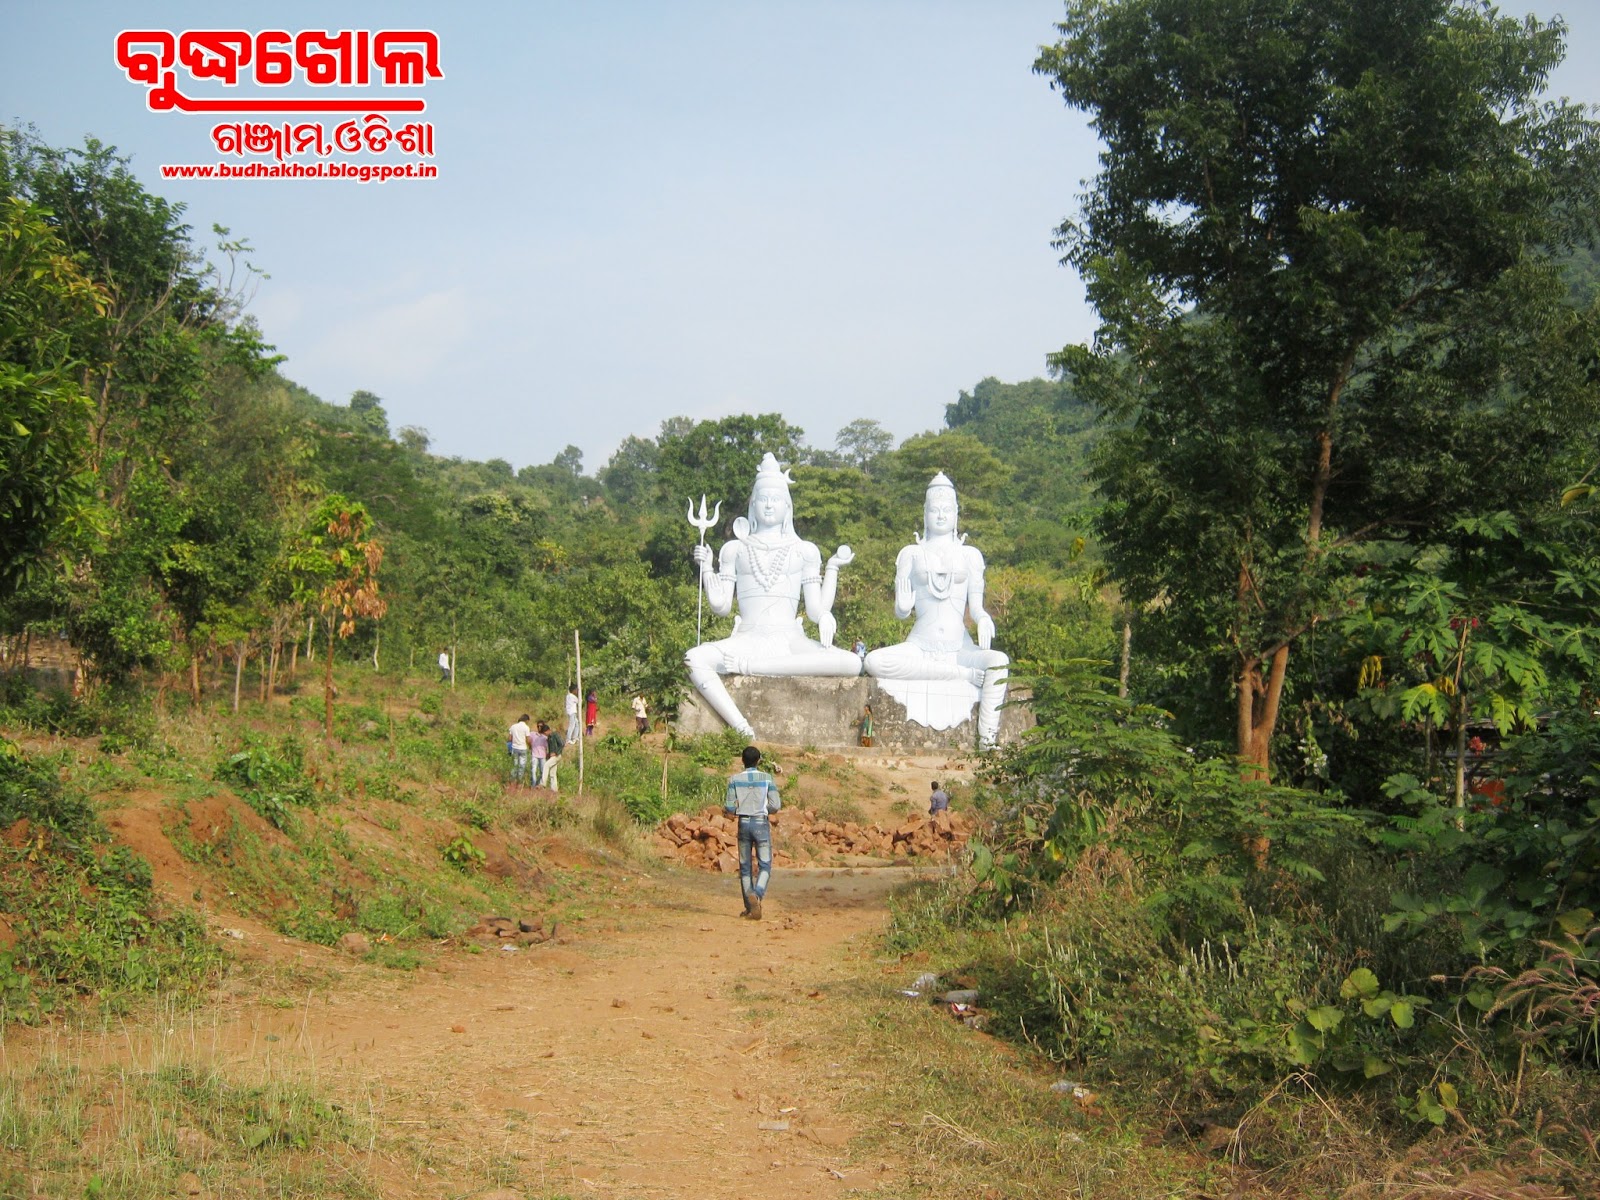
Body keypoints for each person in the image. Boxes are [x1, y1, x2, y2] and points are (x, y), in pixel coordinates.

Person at [686, 453, 861, 738]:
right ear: (752, 505)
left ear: (787, 506)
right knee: (693, 658)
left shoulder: (804, 550)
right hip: (747, 638)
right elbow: (719, 606)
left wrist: (830, 580)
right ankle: (741, 727)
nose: (769, 504)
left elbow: (816, 610)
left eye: (776, 499)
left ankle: (754, 667)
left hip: (791, 640)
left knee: (852, 664)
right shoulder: (735, 549)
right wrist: (707, 567)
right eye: (763, 498)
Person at [864, 473, 1009, 747]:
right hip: (920, 645)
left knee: (999, 662)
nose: (941, 516)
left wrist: (984, 618)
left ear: (956, 513)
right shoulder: (910, 554)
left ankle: (987, 739)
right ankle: (961, 677)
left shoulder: (970, 555)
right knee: (873, 661)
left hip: (960, 648)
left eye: (947, 510)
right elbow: (901, 611)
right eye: (934, 510)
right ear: (924, 513)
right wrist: (902, 606)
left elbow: (976, 607)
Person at [725, 744, 781, 920]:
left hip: (744, 823)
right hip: (760, 823)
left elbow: (729, 806)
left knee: (745, 867)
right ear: (759, 761)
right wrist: (765, 810)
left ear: (742, 761)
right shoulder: (767, 778)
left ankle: (749, 908)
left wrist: (739, 810)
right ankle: (757, 895)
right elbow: (775, 805)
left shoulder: (734, 779)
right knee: (765, 864)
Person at [508, 713, 532, 785]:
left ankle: (512, 781)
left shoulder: (513, 726)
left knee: (514, 765)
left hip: (514, 748)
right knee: (522, 765)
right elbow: (528, 740)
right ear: (526, 720)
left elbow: (509, 739)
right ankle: (519, 782)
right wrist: (530, 746)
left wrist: (509, 747)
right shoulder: (526, 728)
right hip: (523, 748)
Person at [542, 721, 565, 792]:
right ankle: (554, 789)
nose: (545, 734)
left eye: (545, 732)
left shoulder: (555, 735)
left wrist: (556, 753)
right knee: (552, 773)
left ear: (548, 730)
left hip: (557, 756)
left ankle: (543, 783)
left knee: (546, 765)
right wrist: (549, 755)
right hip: (552, 756)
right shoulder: (549, 738)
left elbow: (562, 744)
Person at [529, 720, 549, 787]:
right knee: (533, 770)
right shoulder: (532, 734)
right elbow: (528, 740)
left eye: (541, 726)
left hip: (542, 756)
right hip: (534, 755)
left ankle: (539, 784)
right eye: (538, 726)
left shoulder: (545, 737)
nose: (539, 727)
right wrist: (530, 747)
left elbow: (547, 747)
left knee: (542, 772)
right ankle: (533, 785)